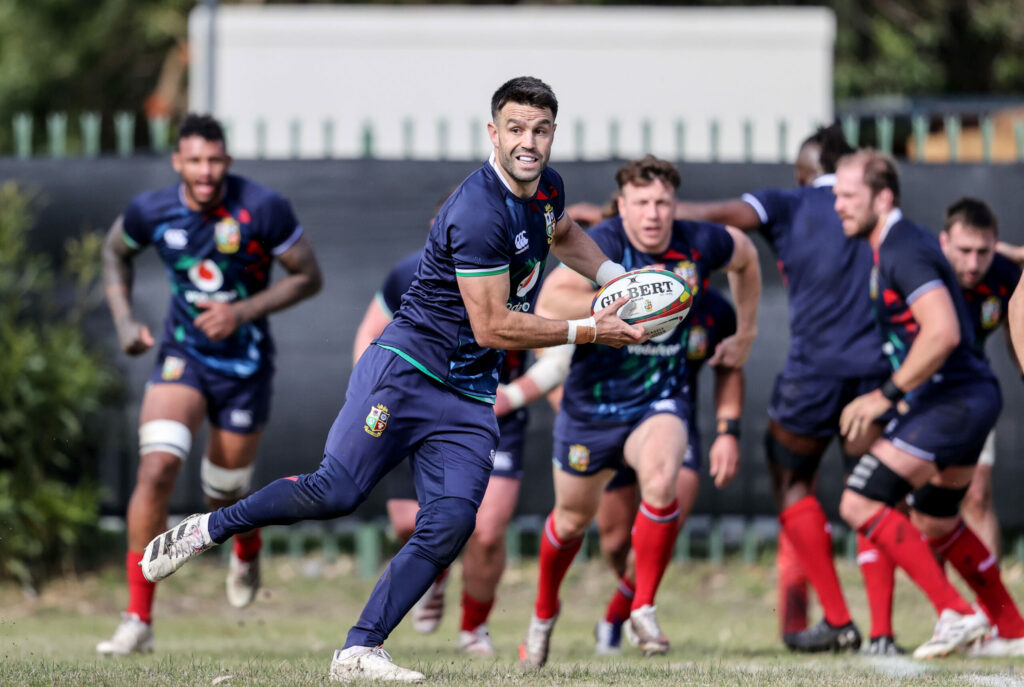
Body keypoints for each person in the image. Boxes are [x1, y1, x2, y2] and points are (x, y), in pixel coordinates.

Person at [137, 76, 646, 683]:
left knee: (453, 520)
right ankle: (210, 528)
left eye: (539, 130)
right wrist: (590, 328)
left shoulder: (548, 189)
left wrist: (615, 272)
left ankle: (359, 649)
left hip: (468, 394)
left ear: (553, 134)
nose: (527, 142)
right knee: (336, 492)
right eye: (515, 129)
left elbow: (560, 233)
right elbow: (491, 326)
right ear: (493, 133)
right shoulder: (478, 210)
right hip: (406, 372)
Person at [519, 155, 761, 668]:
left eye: (662, 202)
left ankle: (643, 606)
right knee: (570, 521)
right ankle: (543, 615)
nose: (653, 213)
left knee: (662, 478)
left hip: (661, 399)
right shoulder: (603, 242)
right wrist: (620, 298)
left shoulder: (698, 241)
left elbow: (746, 256)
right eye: (642, 203)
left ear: (674, 204)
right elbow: (551, 300)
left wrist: (746, 333)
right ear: (622, 205)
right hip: (593, 405)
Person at [97, 113, 323, 656]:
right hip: (182, 357)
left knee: (224, 492)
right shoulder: (152, 210)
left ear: (228, 161)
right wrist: (126, 322)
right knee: (157, 468)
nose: (205, 171)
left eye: (214, 160)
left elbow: (308, 276)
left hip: (244, 368)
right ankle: (138, 618)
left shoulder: (262, 207)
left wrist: (241, 311)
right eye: (194, 160)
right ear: (178, 161)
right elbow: (114, 251)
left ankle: (246, 549)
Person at [675, 124, 892, 653]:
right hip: (878, 373)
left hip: (815, 373)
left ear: (804, 172)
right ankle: (884, 632)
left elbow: (721, 215)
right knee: (874, 496)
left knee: (790, 478)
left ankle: (838, 619)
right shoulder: (879, 212)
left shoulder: (789, 202)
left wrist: (640, 215)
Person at [833, 149, 1023, 660]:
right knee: (937, 521)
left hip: (953, 398)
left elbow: (942, 332)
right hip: (966, 397)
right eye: (837, 195)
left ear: (883, 197)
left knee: (860, 501)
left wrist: (884, 396)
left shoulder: (902, 248)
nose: (838, 205)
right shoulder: (899, 244)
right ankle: (1010, 627)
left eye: (848, 195)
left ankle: (954, 613)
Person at [351, 248, 571, 656]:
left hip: (489, 413)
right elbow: (370, 333)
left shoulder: (530, 276)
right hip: (412, 408)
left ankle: (474, 626)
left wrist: (513, 396)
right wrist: (373, 387)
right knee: (408, 526)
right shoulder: (409, 272)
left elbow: (557, 359)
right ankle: (432, 579)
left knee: (486, 533)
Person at [591, 287, 744, 655]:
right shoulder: (608, 296)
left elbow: (730, 366)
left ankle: (625, 615)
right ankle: (623, 608)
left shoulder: (712, 308)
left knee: (663, 521)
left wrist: (728, 432)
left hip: (673, 424)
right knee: (614, 543)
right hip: (611, 423)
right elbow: (563, 359)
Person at [936, 198, 1024, 657]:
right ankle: (924, 618)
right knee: (914, 509)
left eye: (983, 252)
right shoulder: (925, 270)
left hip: (970, 397)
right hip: (916, 398)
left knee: (977, 495)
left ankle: (988, 616)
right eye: (964, 250)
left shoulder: (1003, 276)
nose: (973, 264)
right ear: (943, 242)